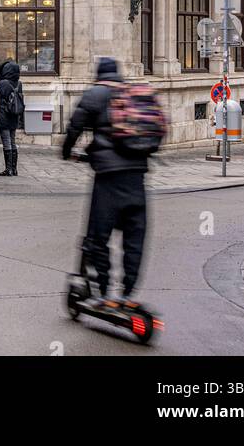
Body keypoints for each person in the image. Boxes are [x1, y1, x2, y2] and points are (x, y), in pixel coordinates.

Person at [62, 57, 157, 307]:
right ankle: (128, 292)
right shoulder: (132, 94)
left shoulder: (95, 94)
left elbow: (75, 126)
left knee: (98, 235)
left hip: (108, 177)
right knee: (134, 238)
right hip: (137, 176)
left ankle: (103, 290)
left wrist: (67, 151)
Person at [0, 59, 24, 176]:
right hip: (14, 115)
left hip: (4, 115)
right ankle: (14, 168)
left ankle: (8, 169)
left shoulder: (3, 83)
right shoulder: (19, 83)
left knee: (6, 142)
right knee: (12, 141)